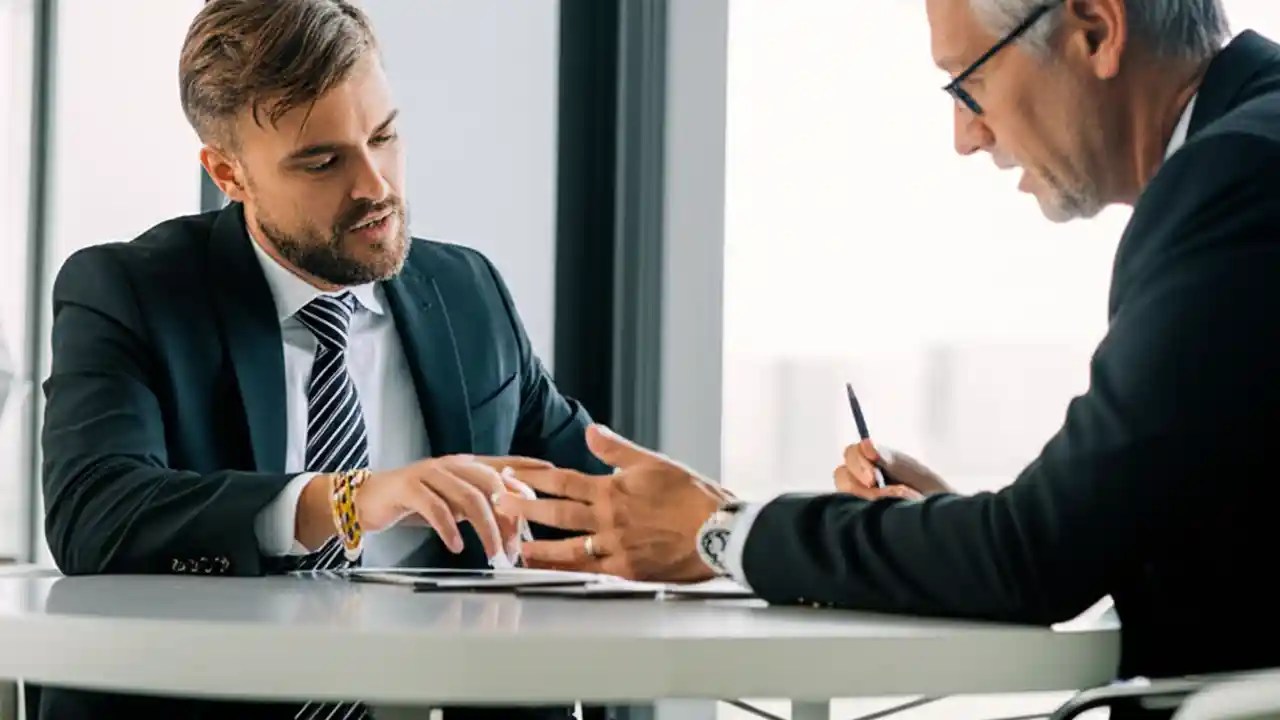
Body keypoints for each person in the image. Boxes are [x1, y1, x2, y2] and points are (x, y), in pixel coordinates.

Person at [499, 0, 1280, 705]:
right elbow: (1155, 534)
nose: (966, 136)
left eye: (966, 82)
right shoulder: (1247, 151)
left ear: (1095, 29)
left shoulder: (1234, 179)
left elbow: (1039, 558)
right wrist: (946, 536)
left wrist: (721, 530)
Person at [38, 0, 603, 718]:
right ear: (229, 174)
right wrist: (349, 500)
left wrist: (726, 533)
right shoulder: (132, 292)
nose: (375, 186)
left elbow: (581, 487)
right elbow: (97, 513)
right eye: (322, 161)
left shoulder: (466, 291)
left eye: (384, 136)